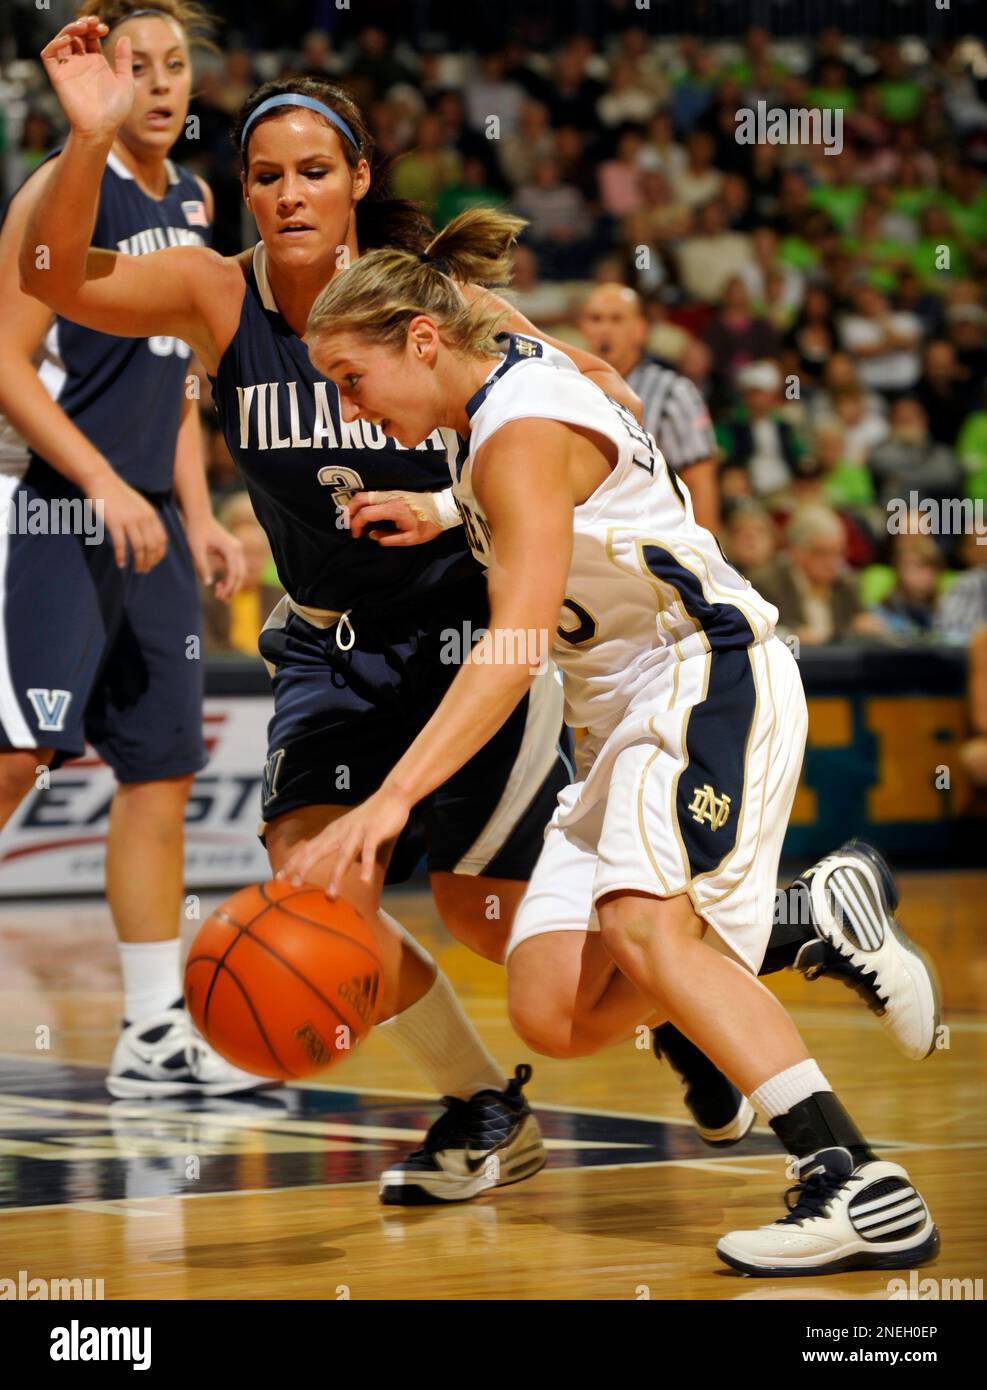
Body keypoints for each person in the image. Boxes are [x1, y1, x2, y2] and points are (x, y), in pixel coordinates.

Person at [24, 18, 938, 1211]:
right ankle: (484, 1105)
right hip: (329, 645)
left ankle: (732, 966)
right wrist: (85, 144)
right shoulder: (217, 294)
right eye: (263, 176)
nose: (288, 195)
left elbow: (584, 402)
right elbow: (49, 278)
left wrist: (498, 510)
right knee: (312, 881)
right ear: (241, 193)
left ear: (357, 182)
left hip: (476, 640)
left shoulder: (440, 309)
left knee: (496, 921)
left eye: (313, 172)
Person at [280, 207, 940, 1276]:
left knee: (644, 924)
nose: (348, 409)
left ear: (421, 341)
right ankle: (802, 917)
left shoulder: (518, 427)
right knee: (554, 1005)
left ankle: (854, 1182)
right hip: (621, 716)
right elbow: (574, 400)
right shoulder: (497, 398)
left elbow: (516, 640)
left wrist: (387, 801)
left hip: (700, 672)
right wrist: (449, 507)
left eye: (351, 379)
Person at [0, 1, 254, 1099]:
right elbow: (6, 368)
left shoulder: (195, 197)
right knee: (14, 758)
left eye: (175, 64)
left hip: (145, 512)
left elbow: (178, 377)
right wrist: (101, 482)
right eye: (134, 65)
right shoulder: (62, 189)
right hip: (47, 502)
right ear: (95, 78)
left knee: (161, 770)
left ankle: (154, 1030)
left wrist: (195, 507)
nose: (159, 82)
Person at [577, 283, 719, 531]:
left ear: (640, 330)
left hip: (652, 538)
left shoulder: (673, 392)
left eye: (616, 319)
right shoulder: (567, 387)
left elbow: (700, 480)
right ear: (583, 327)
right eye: (595, 319)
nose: (604, 329)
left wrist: (707, 563)